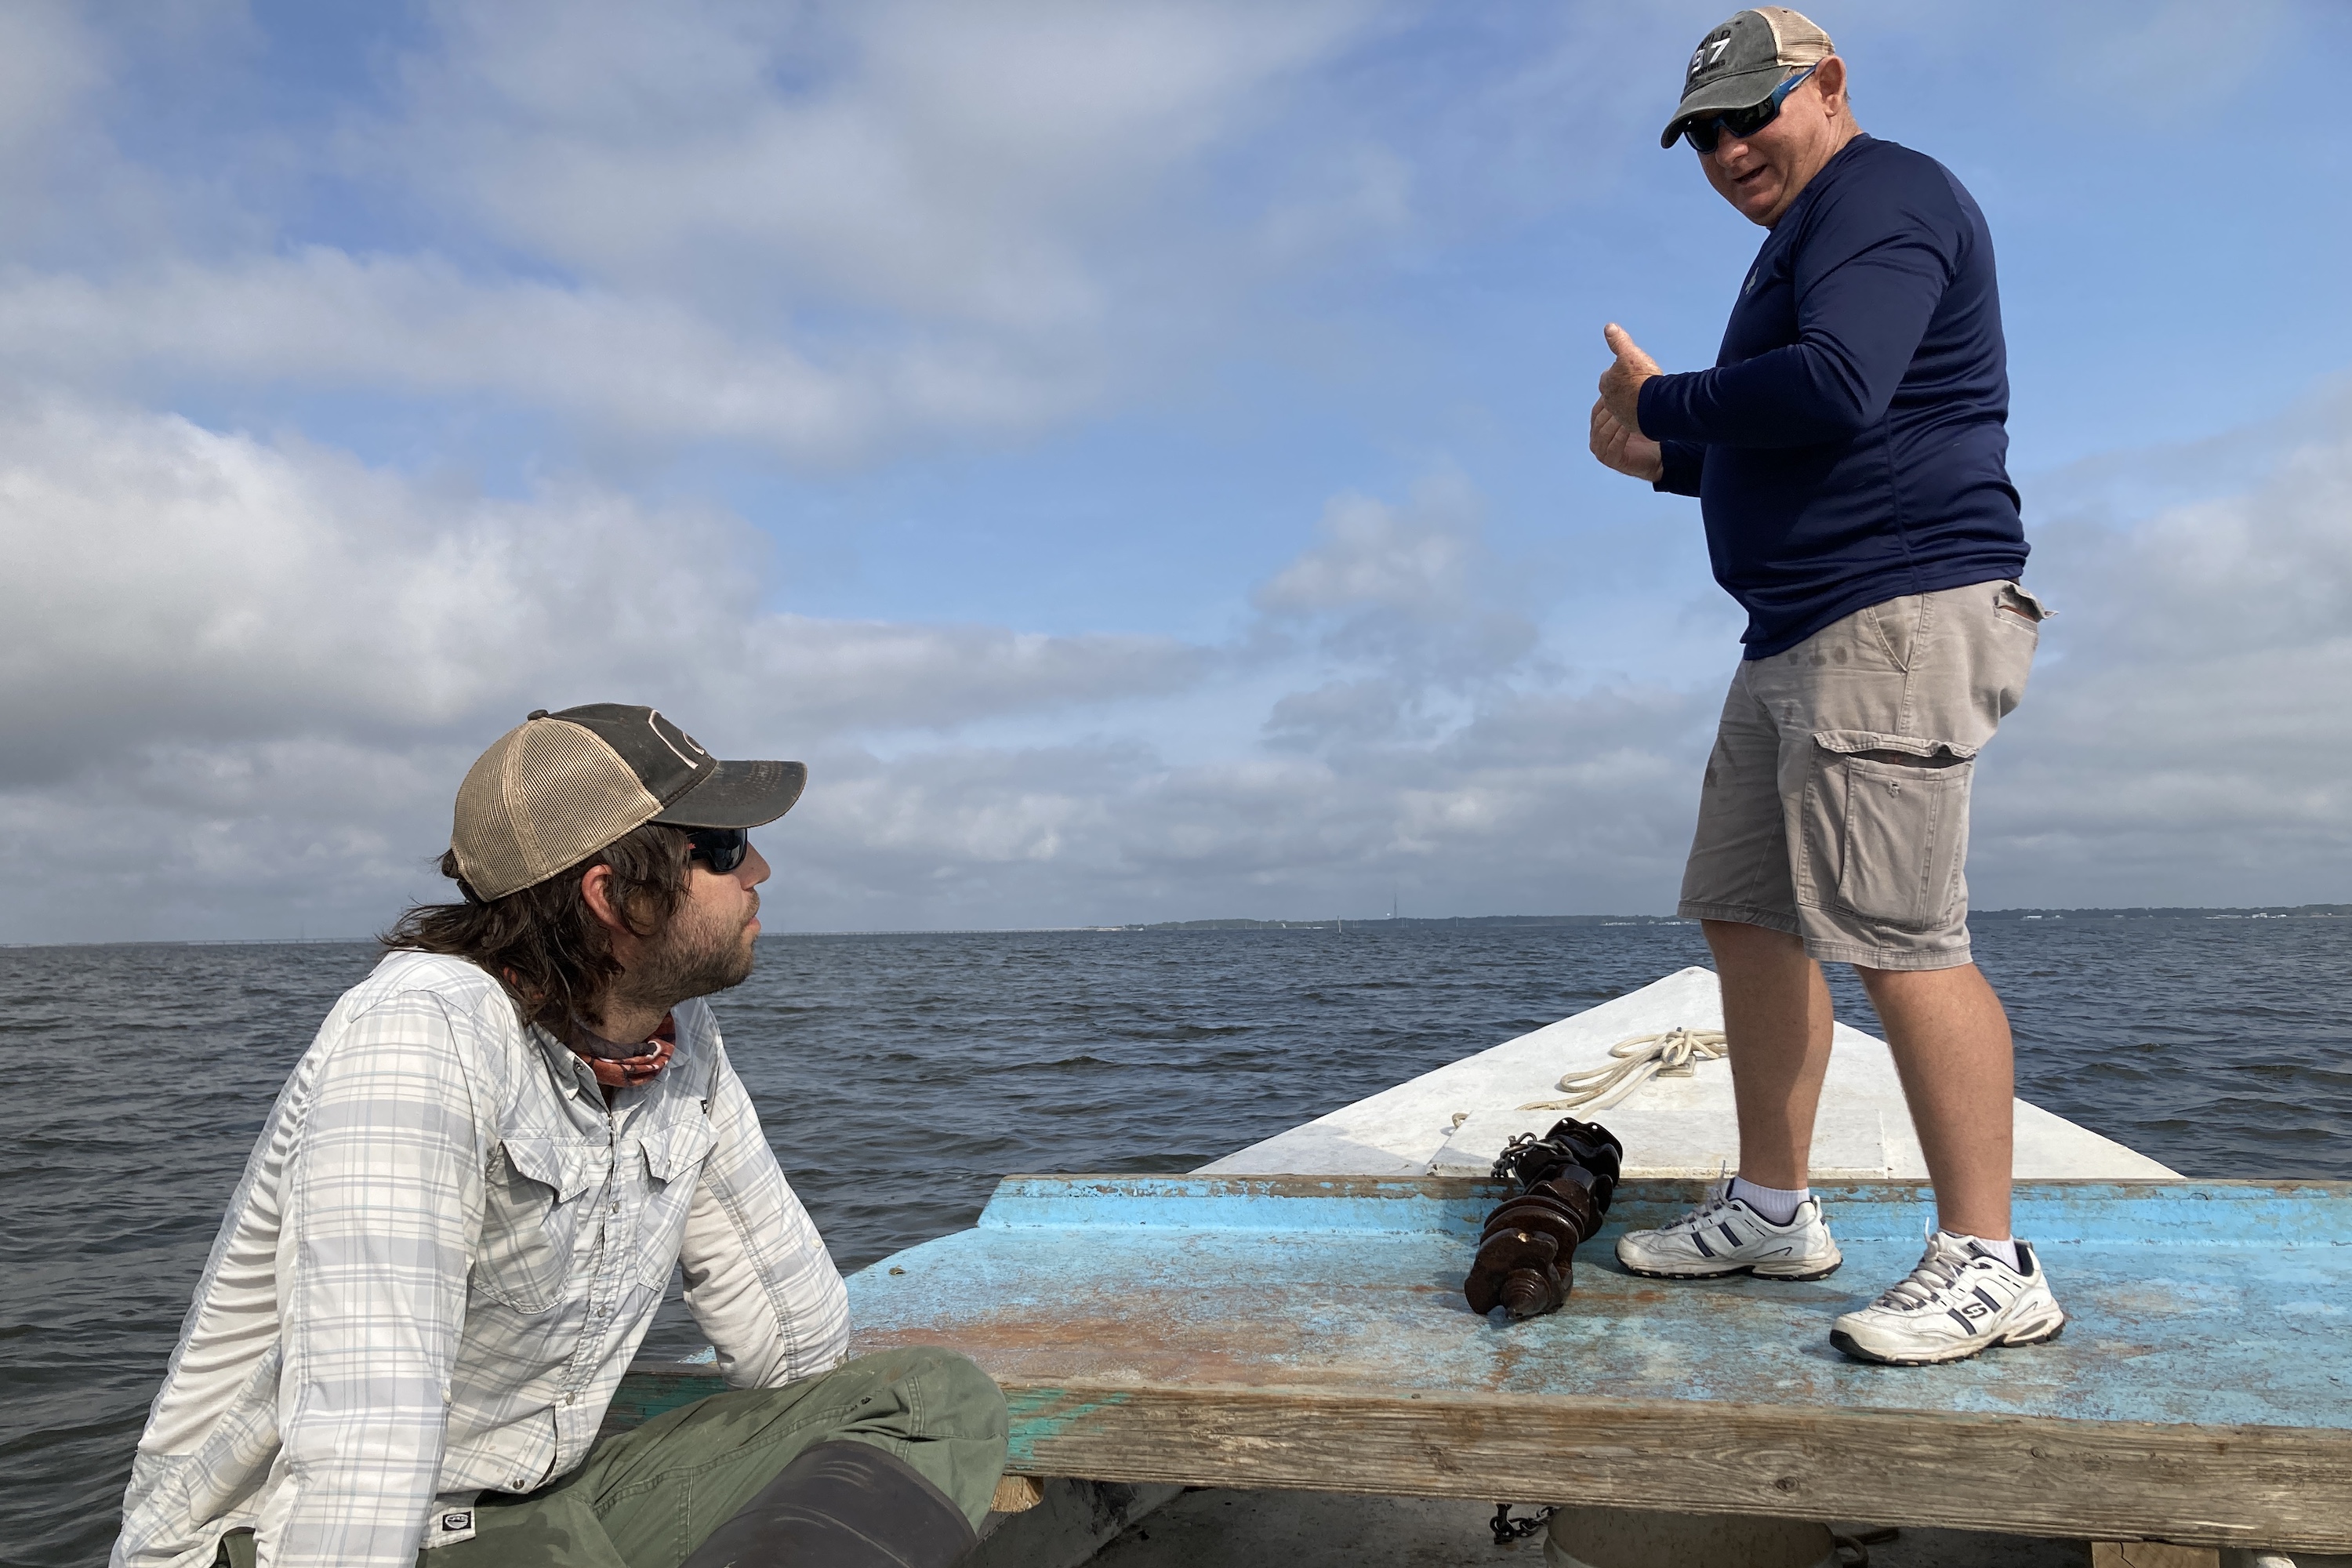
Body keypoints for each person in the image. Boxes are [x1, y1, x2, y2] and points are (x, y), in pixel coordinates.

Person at [113, 705, 1007, 1568]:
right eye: (724, 847)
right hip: (315, 1534)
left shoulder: (672, 1035)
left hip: (538, 1501)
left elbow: (793, 1347)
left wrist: (696, 1091)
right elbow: (363, 1437)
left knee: (930, 1400)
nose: (760, 868)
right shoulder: (420, 1033)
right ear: (615, 895)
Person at [1587, 9, 2066, 1366]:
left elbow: (1843, 385)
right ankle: (1774, 1208)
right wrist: (1657, 458)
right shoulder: (1804, 237)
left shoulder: (1883, 194)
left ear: (1831, 87)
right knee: (1747, 914)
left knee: (1900, 936)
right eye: (1707, 134)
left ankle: (1990, 1260)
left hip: (1895, 610)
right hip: (1792, 628)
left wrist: (1667, 399)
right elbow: (1800, 428)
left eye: (1756, 113)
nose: (1733, 147)